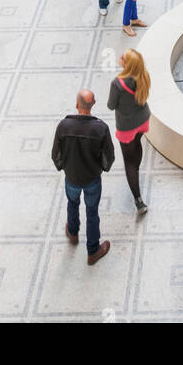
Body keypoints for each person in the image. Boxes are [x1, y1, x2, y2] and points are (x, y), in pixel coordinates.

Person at [51, 88, 114, 264]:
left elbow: (55, 154)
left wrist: (63, 167)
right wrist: (101, 168)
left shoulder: (64, 126)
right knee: (92, 212)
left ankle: (72, 232)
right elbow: (109, 158)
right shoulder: (100, 128)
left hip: (71, 178)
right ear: (93, 104)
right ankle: (93, 251)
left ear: (77, 104)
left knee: (72, 203)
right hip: (92, 179)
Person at [108, 49, 151, 217]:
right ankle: (137, 170)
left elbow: (111, 105)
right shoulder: (143, 75)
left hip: (126, 126)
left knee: (128, 162)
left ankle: (138, 200)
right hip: (142, 120)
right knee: (137, 144)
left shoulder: (117, 84)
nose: (119, 57)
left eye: (123, 57)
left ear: (127, 65)